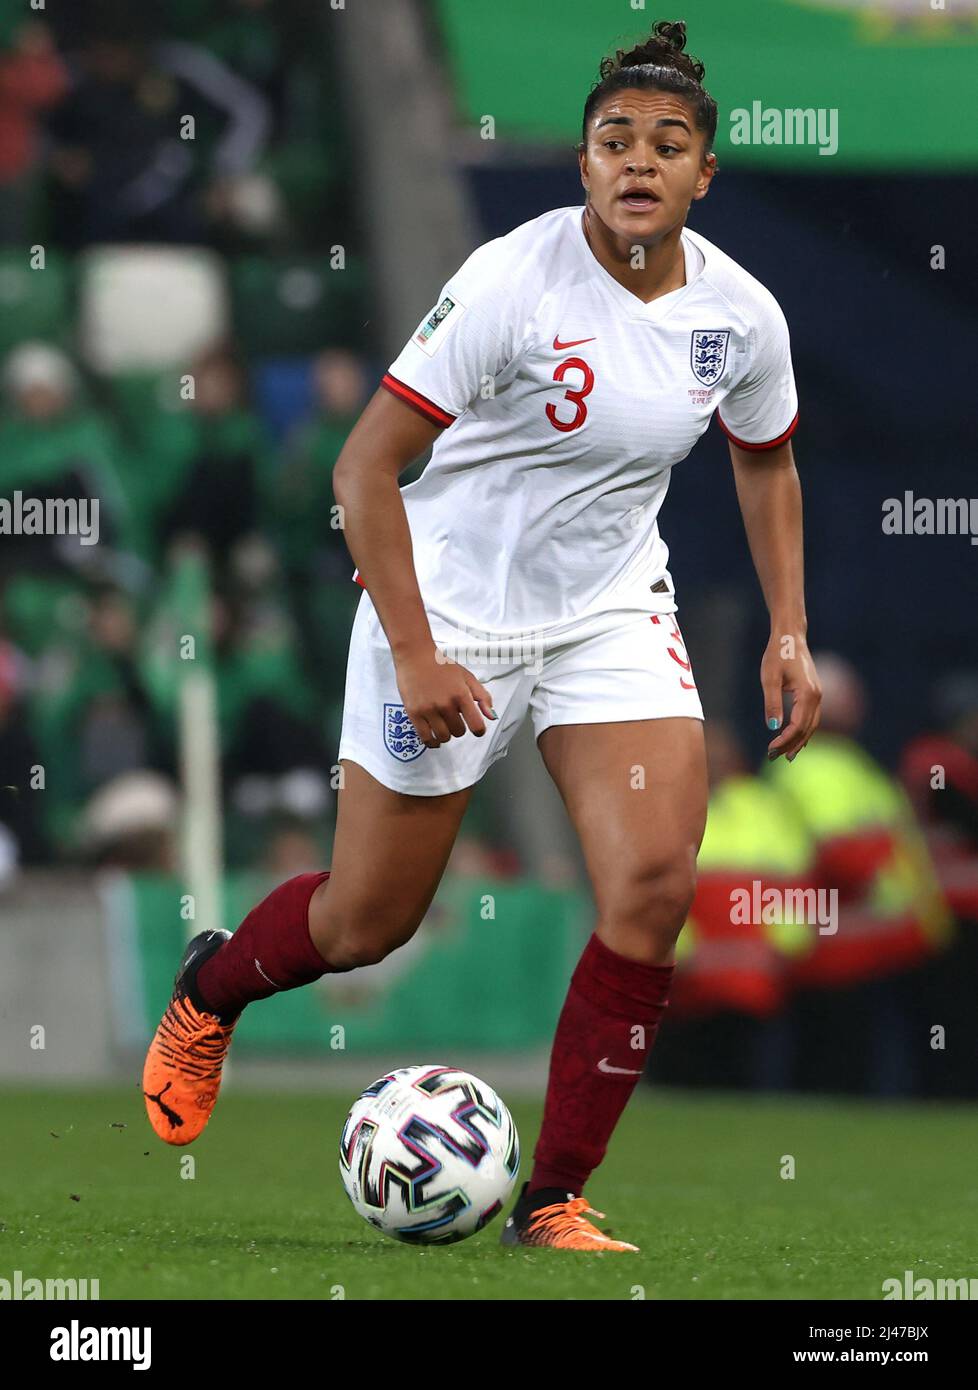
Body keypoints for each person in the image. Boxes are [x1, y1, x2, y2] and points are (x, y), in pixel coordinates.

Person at [142, 20, 821, 1252]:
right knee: (366, 921)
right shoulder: (513, 279)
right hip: (446, 606)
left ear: (703, 175)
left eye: (668, 145)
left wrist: (789, 628)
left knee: (655, 881)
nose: (638, 162)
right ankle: (210, 987)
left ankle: (553, 1196)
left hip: (609, 610)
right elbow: (363, 472)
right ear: (582, 164)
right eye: (615, 140)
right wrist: (414, 651)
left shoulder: (741, 316)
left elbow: (767, 461)